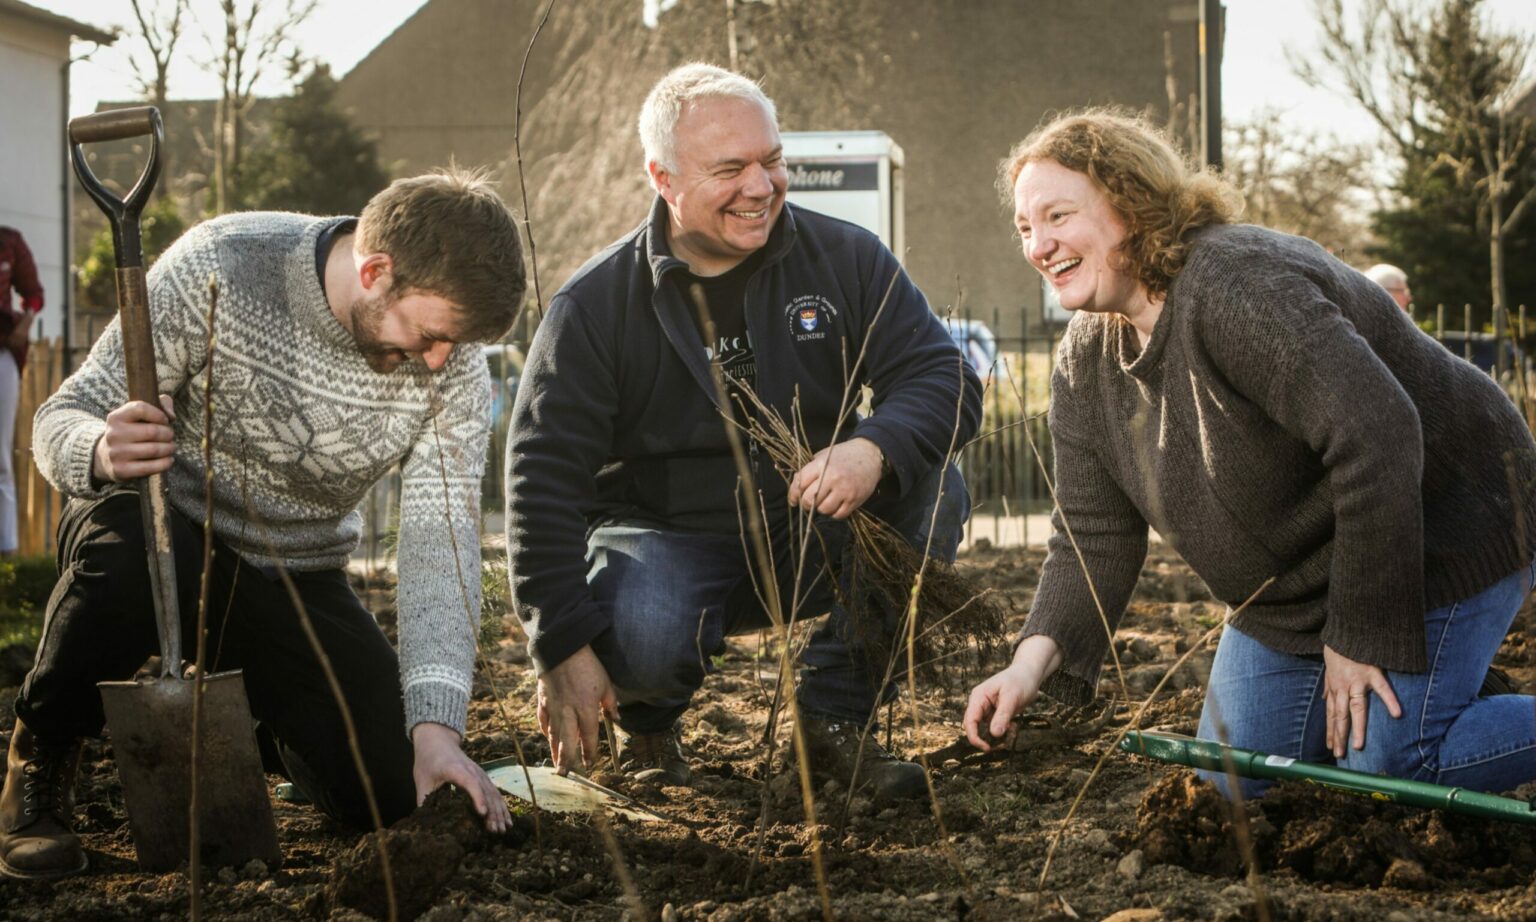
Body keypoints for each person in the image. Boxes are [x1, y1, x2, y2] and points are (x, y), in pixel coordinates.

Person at [963, 110, 1536, 800]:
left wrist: (1358, 636)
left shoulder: (1236, 288)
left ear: (1132, 206)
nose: (1039, 245)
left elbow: (1381, 433)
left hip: (1446, 524)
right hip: (1291, 593)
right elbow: (1092, 536)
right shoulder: (1085, 358)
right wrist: (1026, 669)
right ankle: (1445, 691)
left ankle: (1428, 700)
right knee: (1231, 791)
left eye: (1058, 216)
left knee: (1389, 768)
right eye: (1026, 227)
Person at [1, 168, 526, 879]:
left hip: (291, 571)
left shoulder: (454, 371)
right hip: (162, 533)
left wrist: (436, 728)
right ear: (376, 271)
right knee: (130, 560)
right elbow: (59, 415)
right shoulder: (221, 264)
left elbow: (442, 548)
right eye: (431, 335)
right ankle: (40, 759)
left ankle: (276, 726)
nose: (439, 360)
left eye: (455, 344)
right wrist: (97, 447)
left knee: (390, 789)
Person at [506, 63, 982, 798]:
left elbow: (944, 377)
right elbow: (540, 479)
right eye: (730, 169)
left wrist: (872, 449)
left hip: (814, 527)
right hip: (665, 535)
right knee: (646, 635)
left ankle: (831, 721)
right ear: (663, 178)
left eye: (771, 161)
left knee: (934, 485)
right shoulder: (595, 306)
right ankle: (650, 728)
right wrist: (559, 641)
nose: (761, 187)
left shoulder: (846, 259)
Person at [0, 227, 44, 557]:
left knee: (1, 455)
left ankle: (6, 550)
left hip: (3, 353)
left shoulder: (10, 241)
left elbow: (34, 295)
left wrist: (24, 326)